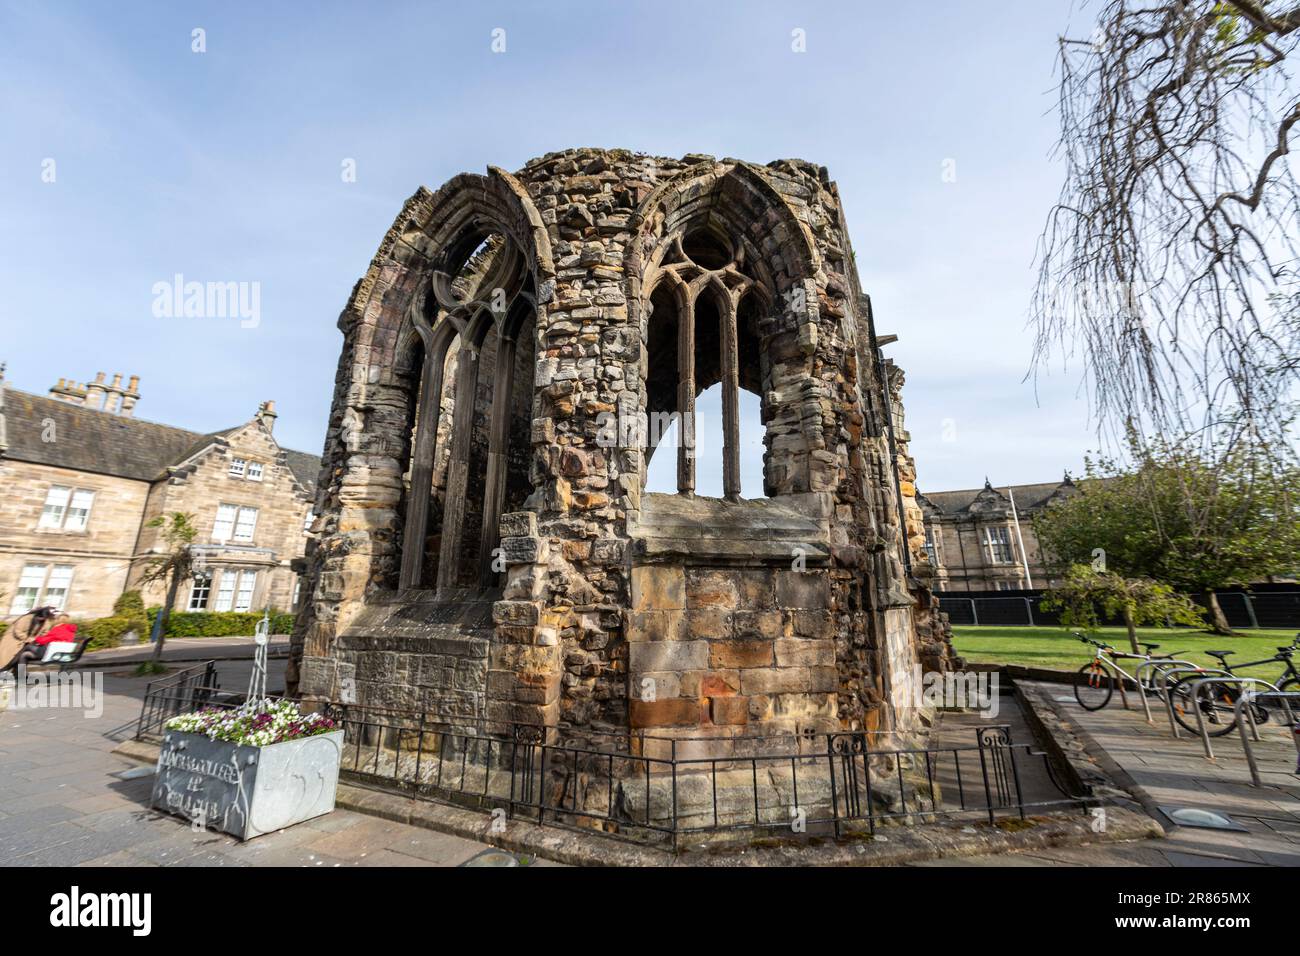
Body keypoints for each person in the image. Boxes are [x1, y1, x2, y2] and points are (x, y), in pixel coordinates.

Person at [11, 615, 78, 671]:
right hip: (59, 653)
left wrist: (34, 639)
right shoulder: (70, 630)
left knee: (27, 646)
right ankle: (19, 676)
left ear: (58, 620)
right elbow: (52, 639)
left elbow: (44, 640)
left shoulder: (58, 629)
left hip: (51, 654)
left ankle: (10, 664)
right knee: (25, 654)